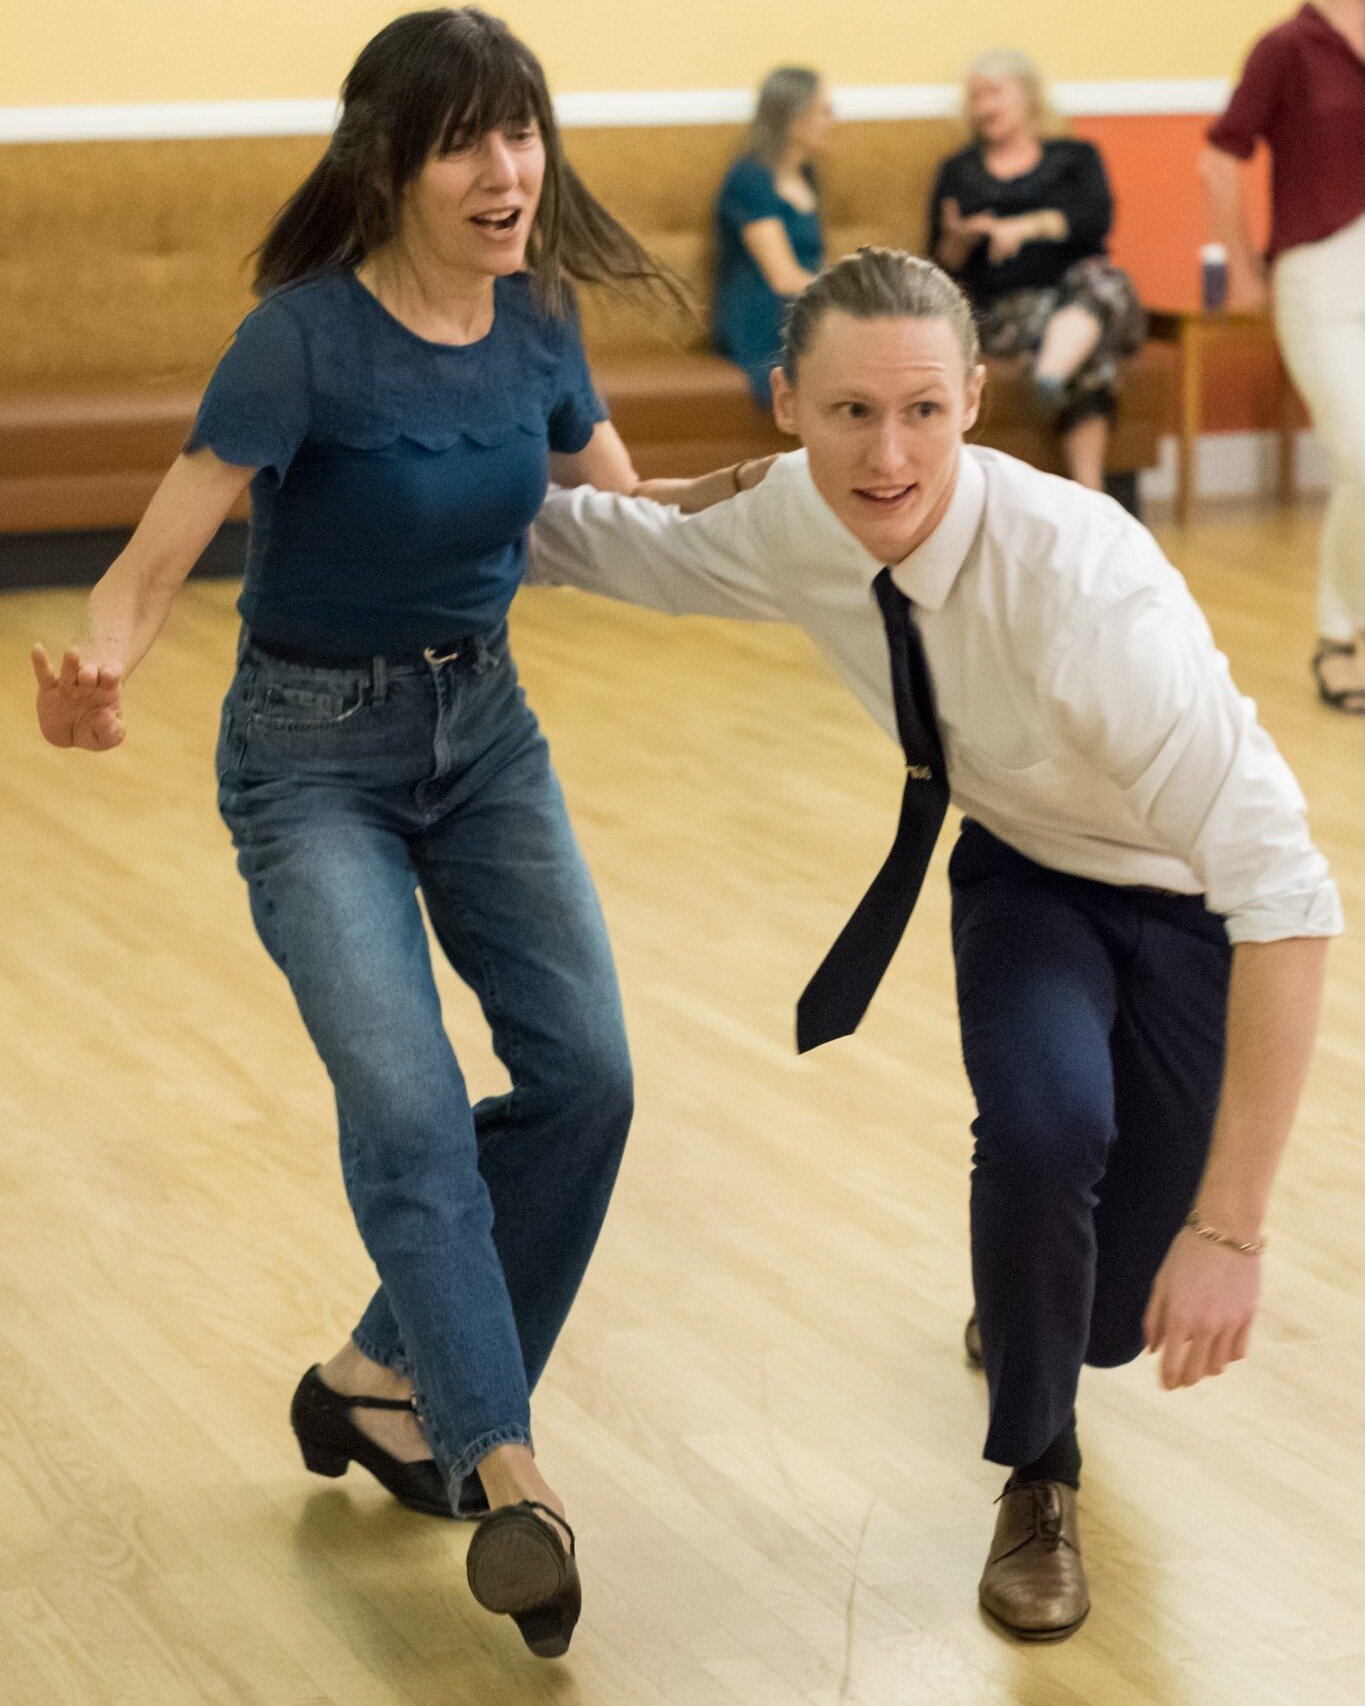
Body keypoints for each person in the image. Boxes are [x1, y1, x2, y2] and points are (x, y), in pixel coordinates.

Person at [30, 5, 718, 1662]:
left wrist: (824, 491)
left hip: (483, 733)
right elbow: (157, 549)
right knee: (407, 1105)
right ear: (391, 163)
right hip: (309, 757)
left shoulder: (539, 319)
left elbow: (623, 516)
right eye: (469, 140)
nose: (509, 170)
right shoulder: (301, 344)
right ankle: (503, 1469)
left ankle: (371, 1382)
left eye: (524, 132)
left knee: (590, 1078)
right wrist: (102, 668)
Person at [529, 248, 1341, 1641]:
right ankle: (1038, 1473)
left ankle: (1041, 1315)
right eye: (848, 411)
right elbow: (622, 545)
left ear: (973, 398)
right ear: (787, 403)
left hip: (1193, 908)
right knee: (1040, 1134)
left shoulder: (1090, 594)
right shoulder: (800, 516)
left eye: (920, 410)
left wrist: (1231, 1229)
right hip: (1025, 876)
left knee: (1111, 1314)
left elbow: (1290, 897)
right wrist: (408, 494)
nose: (887, 454)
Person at [1202, 2, 1365, 713]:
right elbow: (1218, 159)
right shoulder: (1287, 48)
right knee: (1360, 455)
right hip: (1316, 279)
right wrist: (1241, 267)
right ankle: (1338, 637)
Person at [927, 49, 1144, 492]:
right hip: (1008, 309)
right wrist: (959, 240)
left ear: (1028, 96)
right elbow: (939, 261)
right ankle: (1092, 496)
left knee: (1102, 279)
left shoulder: (1076, 156)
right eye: (974, 97)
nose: (983, 106)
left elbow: (1095, 219)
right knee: (1094, 348)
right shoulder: (958, 171)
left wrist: (1024, 226)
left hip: (1080, 292)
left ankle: (1050, 370)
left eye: (994, 93)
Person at [713, 67, 833, 409]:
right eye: (824, 111)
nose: (833, 121)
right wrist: (847, 294)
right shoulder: (750, 179)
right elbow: (781, 277)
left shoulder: (806, 174)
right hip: (761, 319)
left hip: (804, 308)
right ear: (796, 118)